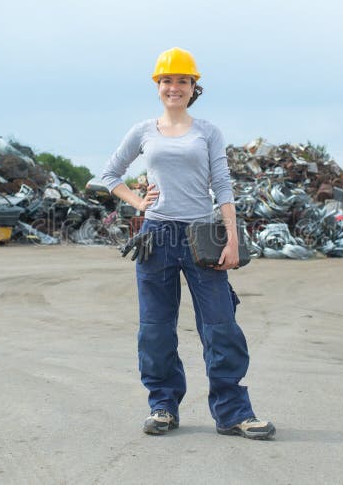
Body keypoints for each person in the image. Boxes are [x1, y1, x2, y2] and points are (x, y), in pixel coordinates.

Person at [100, 47, 275, 440]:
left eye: (182, 80)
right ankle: (162, 406)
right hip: (156, 237)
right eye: (166, 80)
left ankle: (232, 412)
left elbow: (223, 186)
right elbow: (110, 174)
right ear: (157, 86)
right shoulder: (143, 131)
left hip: (203, 238)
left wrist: (232, 238)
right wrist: (137, 201)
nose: (173, 87)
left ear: (194, 87)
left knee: (220, 325)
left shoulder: (208, 132)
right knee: (155, 329)